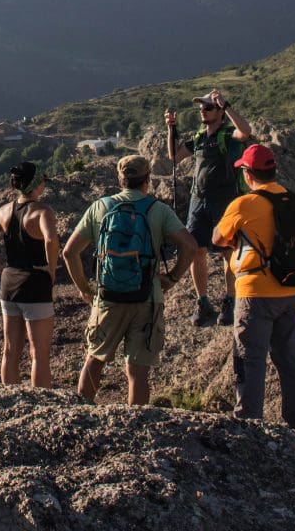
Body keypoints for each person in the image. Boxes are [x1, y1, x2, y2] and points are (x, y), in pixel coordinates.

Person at [62, 154, 197, 405]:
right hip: (147, 297)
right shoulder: (159, 210)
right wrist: (172, 278)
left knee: (95, 359)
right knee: (138, 371)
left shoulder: (100, 207)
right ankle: (137, 422)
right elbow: (190, 246)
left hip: (108, 296)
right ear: (148, 179)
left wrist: (85, 289)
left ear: (120, 179)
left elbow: (69, 252)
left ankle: (82, 413)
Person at [211, 142, 295, 432]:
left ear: (247, 174)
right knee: (289, 360)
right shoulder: (289, 198)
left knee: (249, 360)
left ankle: (249, 425)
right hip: (290, 289)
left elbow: (217, 238)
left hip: (255, 292)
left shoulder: (244, 204)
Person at [165, 88, 255, 327]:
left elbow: (245, 131)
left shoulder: (228, 134)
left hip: (224, 201)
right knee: (196, 250)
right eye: (201, 108)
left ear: (219, 112)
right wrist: (171, 128)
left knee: (227, 250)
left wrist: (227, 106)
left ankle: (230, 300)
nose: (203, 111)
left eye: (208, 107)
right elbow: (174, 156)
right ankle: (203, 302)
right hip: (199, 200)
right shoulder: (199, 138)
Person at [0, 161, 61, 388]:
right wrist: (51, 269)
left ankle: (9, 396)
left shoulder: (5, 210)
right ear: (36, 185)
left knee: (10, 350)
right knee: (39, 353)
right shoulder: (42, 211)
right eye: (42, 181)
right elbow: (51, 240)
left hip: (9, 283)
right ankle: (42, 402)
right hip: (35, 282)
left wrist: (0, 268)